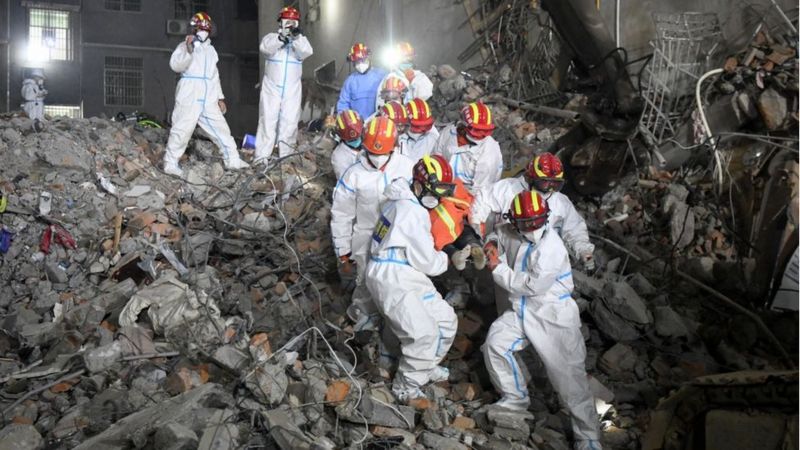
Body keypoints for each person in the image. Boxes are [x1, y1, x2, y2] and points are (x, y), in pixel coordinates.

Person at [482, 190, 602, 450]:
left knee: (570, 380)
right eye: (526, 223)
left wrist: (498, 268)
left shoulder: (551, 248)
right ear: (515, 221)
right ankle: (514, 398)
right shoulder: (513, 230)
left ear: (545, 217)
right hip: (523, 309)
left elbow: (531, 286)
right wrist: (491, 244)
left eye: (537, 221)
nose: (532, 227)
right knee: (496, 343)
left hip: (552, 315)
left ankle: (588, 436)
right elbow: (498, 234)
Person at [365, 156, 459, 403]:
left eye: (441, 193)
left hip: (404, 271)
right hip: (392, 276)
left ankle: (424, 368)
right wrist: (449, 259)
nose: (436, 199)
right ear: (419, 184)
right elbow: (427, 262)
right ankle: (406, 386)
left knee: (446, 320)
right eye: (433, 192)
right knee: (423, 334)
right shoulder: (411, 211)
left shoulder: (401, 200)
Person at [331, 116, 415, 331]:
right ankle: (364, 320)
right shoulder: (353, 175)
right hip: (366, 238)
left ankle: (395, 324)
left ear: (394, 147)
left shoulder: (407, 168)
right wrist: (343, 250)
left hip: (399, 237)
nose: (378, 157)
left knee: (398, 284)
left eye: (383, 152)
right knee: (366, 283)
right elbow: (341, 214)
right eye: (373, 152)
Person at [471, 152, 595, 271]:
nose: (550, 187)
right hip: (504, 252)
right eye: (544, 182)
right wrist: (477, 230)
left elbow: (574, 228)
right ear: (531, 177)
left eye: (555, 183)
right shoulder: (507, 189)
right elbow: (482, 201)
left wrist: (584, 250)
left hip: (539, 262)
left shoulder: (561, 202)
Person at [162, 12, 249, 177]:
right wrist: (189, 50)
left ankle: (233, 160)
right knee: (182, 128)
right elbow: (176, 65)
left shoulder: (211, 51)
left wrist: (220, 97)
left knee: (221, 128)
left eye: (205, 29)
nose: (203, 32)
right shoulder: (184, 46)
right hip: (190, 91)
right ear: (193, 30)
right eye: (199, 29)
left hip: (208, 93)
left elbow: (214, 75)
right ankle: (170, 163)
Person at [254, 6, 313, 166]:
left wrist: (295, 37)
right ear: (280, 22)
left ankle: (285, 157)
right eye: (287, 21)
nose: (289, 25)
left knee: (290, 122)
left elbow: (307, 51)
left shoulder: (300, 41)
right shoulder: (271, 38)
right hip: (271, 87)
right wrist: (281, 38)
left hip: (292, 88)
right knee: (267, 119)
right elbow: (265, 48)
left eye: (293, 22)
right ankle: (261, 157)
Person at [433, 102, 503, 195]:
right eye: (476, 130)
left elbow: (480, 192)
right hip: (441, 183)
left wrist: (453, 193)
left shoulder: (489, 153)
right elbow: (435, 158)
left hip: (468, 195)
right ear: (462, 126)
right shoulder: (448, 133)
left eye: (484, 131)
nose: (481, 135)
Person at [336, 43, 387, 120]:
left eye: (363, 60)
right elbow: (343, 105)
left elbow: (391, 98)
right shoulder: (350, 81)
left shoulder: (382, 76)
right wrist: (348, 120)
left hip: (379, 123)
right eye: (357, 62)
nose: (360, 64)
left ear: (369, 57)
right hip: (357, 126)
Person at [378, 42, 433, 107]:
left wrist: (413, 80)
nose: (405, 60)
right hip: (396, 115)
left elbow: (425, 95)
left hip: (415, 114)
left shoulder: (419, 76)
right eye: (402, 58)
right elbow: (380, 102)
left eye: (408, 57)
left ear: (413, 58)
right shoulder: (390, 77)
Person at [331, 109, 364, 180]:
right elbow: (346, 182)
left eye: (358, 137)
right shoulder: (339, 158)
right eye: (353, 139)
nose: (358, 141)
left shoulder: (367, 138)